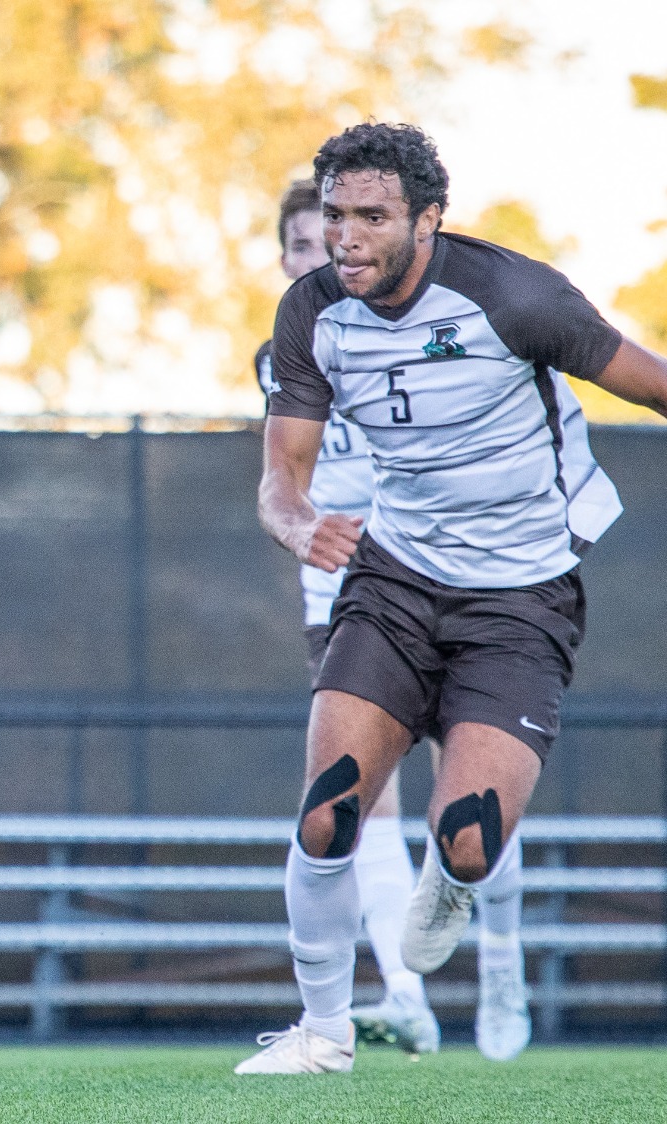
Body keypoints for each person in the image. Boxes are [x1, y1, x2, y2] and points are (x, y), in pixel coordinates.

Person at [236, 123, 667, 1075]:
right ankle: (324, 1035)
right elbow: (282, 478)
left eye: (373, 216)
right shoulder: (310, 312)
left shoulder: (513, 296)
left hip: (518, 598)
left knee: (469, 845)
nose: (346, 237)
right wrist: (294, 524)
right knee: (327, 813)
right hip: (393, 582)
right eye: (334, 215)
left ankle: (458, 890)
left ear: (429, 220)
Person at [256, 180, 439, 1057]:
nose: (322, 252)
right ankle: (402, 997)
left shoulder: (432, 329)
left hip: (451, 584)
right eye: (302, 241)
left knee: (470, 798)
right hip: (345, 600)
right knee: (356, 807)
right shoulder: (289, 352)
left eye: (336, 234)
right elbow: (289, 477)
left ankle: (485, 968)